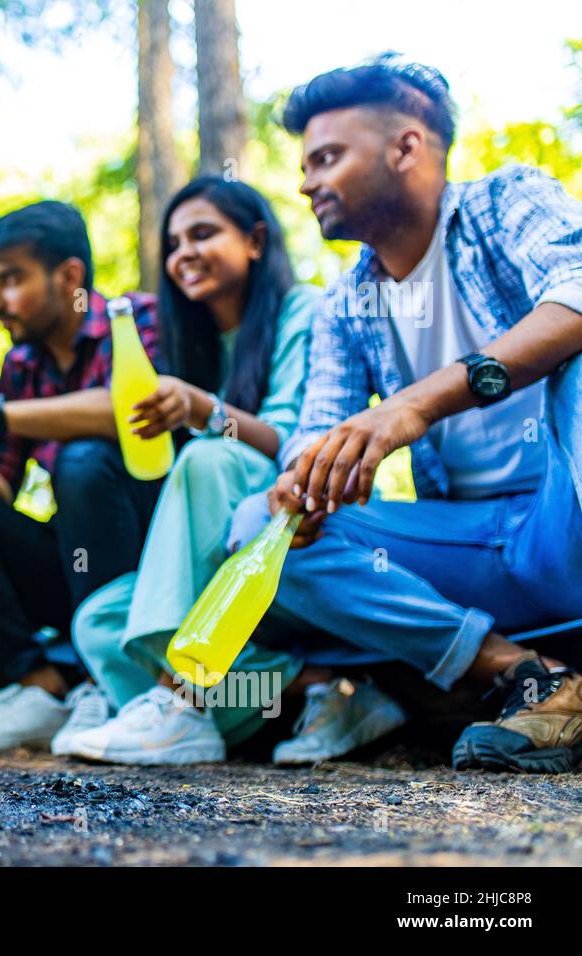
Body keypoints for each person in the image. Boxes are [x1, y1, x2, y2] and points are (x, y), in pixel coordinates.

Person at [230, 56, 582, 772]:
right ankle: (523, 673)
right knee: (260, 529)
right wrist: (308, 482)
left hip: (564, 512)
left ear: (406, 147)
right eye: (302, 165)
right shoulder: (344, 303)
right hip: (476, 547)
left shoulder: (503, 202)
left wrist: (414, 405)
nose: (305, 183)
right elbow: (313, 432)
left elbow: (578, 291)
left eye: (326, 158)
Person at [54, 178, 324, 765]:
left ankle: (179, 702)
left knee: (207, 456)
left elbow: (286, 442)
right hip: (220, 548)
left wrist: (202, 408)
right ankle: (311, 687)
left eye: (203, 234)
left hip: (283, 514)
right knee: (98, 623)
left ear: (255, 240)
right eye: (174, 244)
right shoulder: (184, 336)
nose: (184, 255)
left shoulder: (301, 307)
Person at [0, 200, 164, 753]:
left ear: (69, 276)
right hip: (76, 564)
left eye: (12, 279)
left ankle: (111, 679)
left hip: (156, 561)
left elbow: (130, 408)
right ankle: (39, 686)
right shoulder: (21, 364)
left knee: (83, 459)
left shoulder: (137, 318)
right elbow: (1, 489)